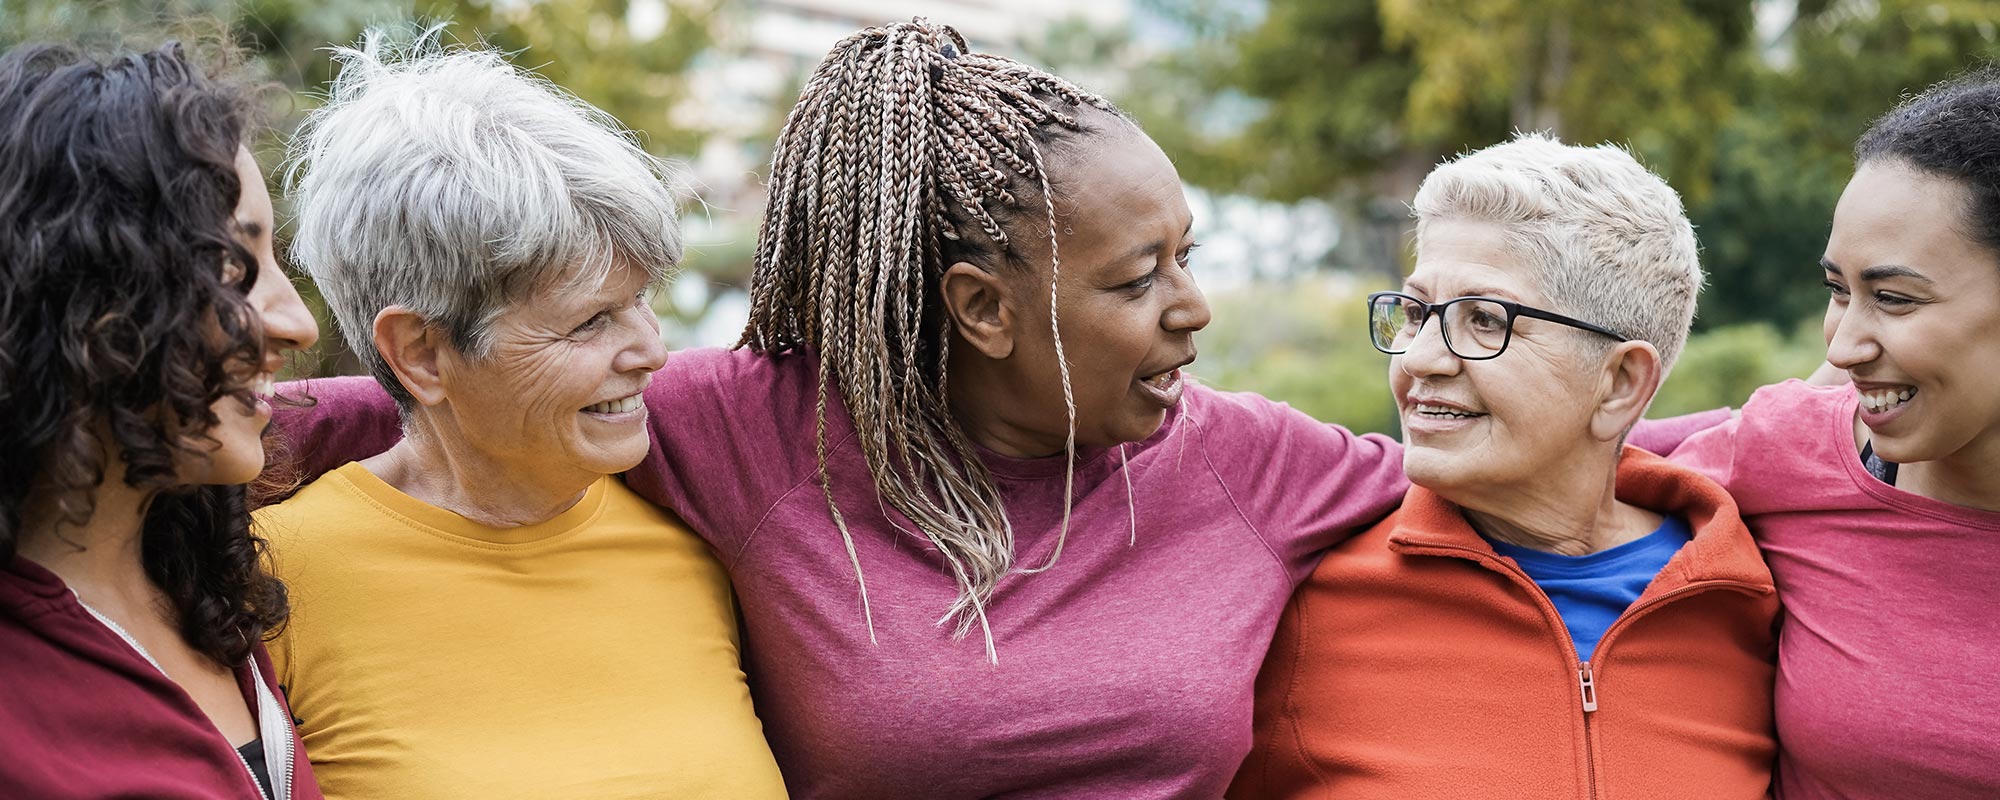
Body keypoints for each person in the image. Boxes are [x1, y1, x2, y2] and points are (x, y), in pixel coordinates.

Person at [275, 21, 1725, 798]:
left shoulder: (1243, 463)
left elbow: (1527, 445)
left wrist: (1796, 448)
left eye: (1189, 257)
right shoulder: (762, 432)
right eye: (1138, 279)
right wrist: (208, 423)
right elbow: (450, 403)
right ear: (980, 308)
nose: (1193, 311)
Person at [253, 32, 785, 799]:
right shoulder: (273, 576)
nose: (652, 351)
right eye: (590, 321)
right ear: (421, 354)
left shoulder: (703, 539)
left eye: (641, 298)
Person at [1232, 134, 1779, 799]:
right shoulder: (1294, 605)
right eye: (1416, 312)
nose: (1418, 359)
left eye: (1486, 320)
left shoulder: (1756, 600)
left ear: (1620, 384)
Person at [0, 42, 322, 799]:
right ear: (87, 299)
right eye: (234, 267)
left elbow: (356, 415)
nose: (299, 323)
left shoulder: (198, 581)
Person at [1671, 72, 2000, 800]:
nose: (1843, 344)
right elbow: (1571, 466)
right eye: (1837, 291)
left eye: (1893, 298)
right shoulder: (1792, 452)